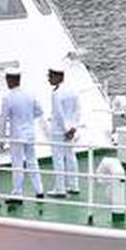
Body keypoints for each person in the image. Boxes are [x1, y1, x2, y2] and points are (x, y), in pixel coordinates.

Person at [0, 68, 44, 202]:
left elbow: (3, 119)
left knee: (17, 164)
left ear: (11, 80)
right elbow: (39, 111)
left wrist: (2, 139)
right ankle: (39, 190)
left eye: (7, 79)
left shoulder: (8, 98)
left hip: (16, 136)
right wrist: (28, 120)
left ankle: (17, 193)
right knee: (32, 161)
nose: (6, 81)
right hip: (30, 134)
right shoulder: (30, 94)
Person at [47, 66, 81, 197]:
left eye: (51, 76)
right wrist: (73, 127)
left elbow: (59, 113)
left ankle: (60, 189)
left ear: (58, 77)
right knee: (71, 157)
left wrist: (66, 129)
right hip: (70, 130)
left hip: (58, 131)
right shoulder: (73, 90)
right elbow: (78, 110)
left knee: (58, 159)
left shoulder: (56, 93)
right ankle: (74, 185)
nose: (49, 79)